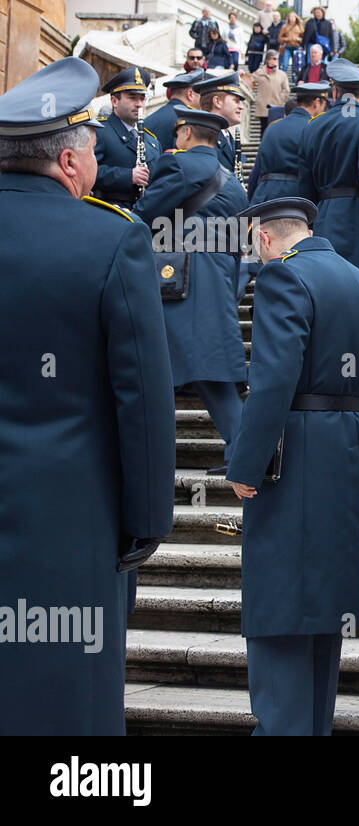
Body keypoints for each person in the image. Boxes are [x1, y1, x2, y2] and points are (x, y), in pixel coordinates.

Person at [0, 57, 174, 736]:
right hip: (71, 521)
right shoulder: (112, 239)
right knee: (67, 709)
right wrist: (145, 523)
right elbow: (143, 399)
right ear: (72, 162)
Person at [227, 196, 359, 736]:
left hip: (295, 452)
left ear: (267, 239)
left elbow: (272, 380)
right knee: (323, 617)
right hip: (346, 446)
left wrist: (245, 464)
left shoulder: (282, 279)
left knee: (281, 610)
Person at [135, 108, 249, 473]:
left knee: (161, 365)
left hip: (181, 275)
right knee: (209, 367)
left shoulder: (178, 166)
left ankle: (150, 455)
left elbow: (144, 214)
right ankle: (242, 451)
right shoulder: (232, 180)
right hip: (219, 273)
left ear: (185, 134)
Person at [298, 58, 359, 286]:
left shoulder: (314, 125)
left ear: (334, 91)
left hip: (324, 215)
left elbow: (305, 183)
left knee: (326, 284)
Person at [91, 67, 161, 211]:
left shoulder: (151, 141)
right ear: (114, 101)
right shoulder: (100, 132)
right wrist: (128, 176)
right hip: (110, 212)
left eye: (142, 98)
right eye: (132, 97)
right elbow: (88, 172)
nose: (139, 104)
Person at [249, 82, 328, 205]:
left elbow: (257, 170)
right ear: (316, 102)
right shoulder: (313, 128)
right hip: (296, 199)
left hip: (264, 196)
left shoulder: (272, 127)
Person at [194, 73, 248, 175]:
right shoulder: (202, 137)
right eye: (236, 101)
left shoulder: (226, 136)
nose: (241, 107)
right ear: (217, 101)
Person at [145, 69, 207, 153]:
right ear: (190, 94)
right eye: (201, 94)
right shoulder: (189, 120)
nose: (202, 98)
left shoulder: (151, 118)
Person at [252, 50, 290, 134]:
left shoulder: (282, 75)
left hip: (276, 107)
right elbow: (250, 81)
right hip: (263, 107)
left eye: (277, 59)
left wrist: (280, 100)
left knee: (276, 131)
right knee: (264, 131)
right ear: (268, 60)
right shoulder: (259, 73)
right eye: (274, 58)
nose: (276, 61)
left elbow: (286, 90)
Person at [279, 12, 305, 76]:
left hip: (296, 47)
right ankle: (282, 78)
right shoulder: (284, 27)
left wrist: (298, 39)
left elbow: (304, 38)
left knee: (295, 65)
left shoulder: (300, 27)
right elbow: (280, 38)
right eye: (290, 17)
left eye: (293, 17)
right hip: (287, 47)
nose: (292, 18)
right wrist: (286, 39)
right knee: (285, 64)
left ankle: (294, 80)